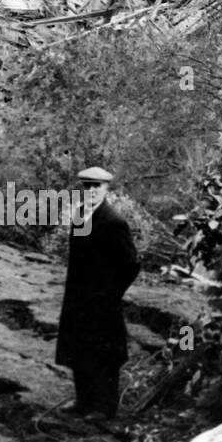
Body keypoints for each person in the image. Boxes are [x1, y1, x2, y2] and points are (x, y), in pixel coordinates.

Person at [55, 165, 140, 422]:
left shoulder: (114, 222)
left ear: (106, 189)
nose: (91, 191)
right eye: (87, 186)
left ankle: (104, 408)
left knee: (105, 354)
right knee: (80, 349)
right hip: (80, 298)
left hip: (104, 301)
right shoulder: (81, 216)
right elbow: (79, 257)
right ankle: (83, 401)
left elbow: (131, 264)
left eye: (97, 186)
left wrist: (111, 294)